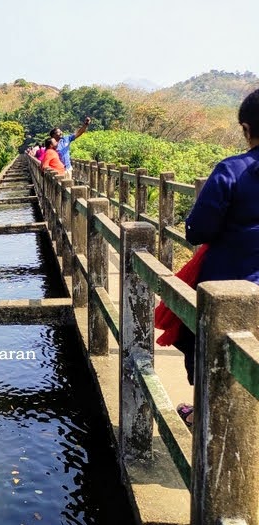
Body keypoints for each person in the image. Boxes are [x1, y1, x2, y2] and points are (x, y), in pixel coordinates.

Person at [162, 87, 259, 427]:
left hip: (227, 283)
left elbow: (198, 230)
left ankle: (209, 421)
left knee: (209, 353)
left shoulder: (232, 170)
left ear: (246, 129)